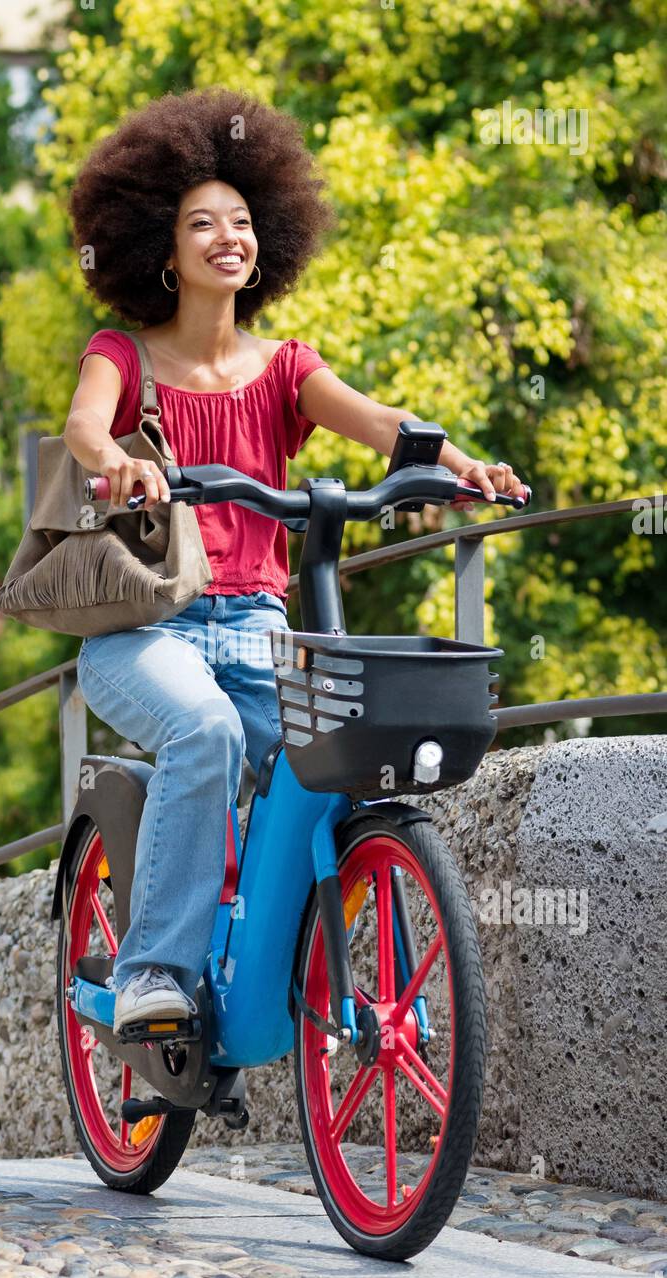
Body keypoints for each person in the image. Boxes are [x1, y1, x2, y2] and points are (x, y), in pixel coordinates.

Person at [63, 88, 526, 1034]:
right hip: (147, 629)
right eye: (201, 223)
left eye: (240, 221)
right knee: (206, 735)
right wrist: (121, 466)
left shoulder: (285, 368)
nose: (226, 236)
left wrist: (462, 466)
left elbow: (384, 424)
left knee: (350, 763)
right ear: (163, 248)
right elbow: (81, 427)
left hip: (259, 627)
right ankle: (154, 971)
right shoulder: (125, 354)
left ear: (265, 238)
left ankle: (329, 973)